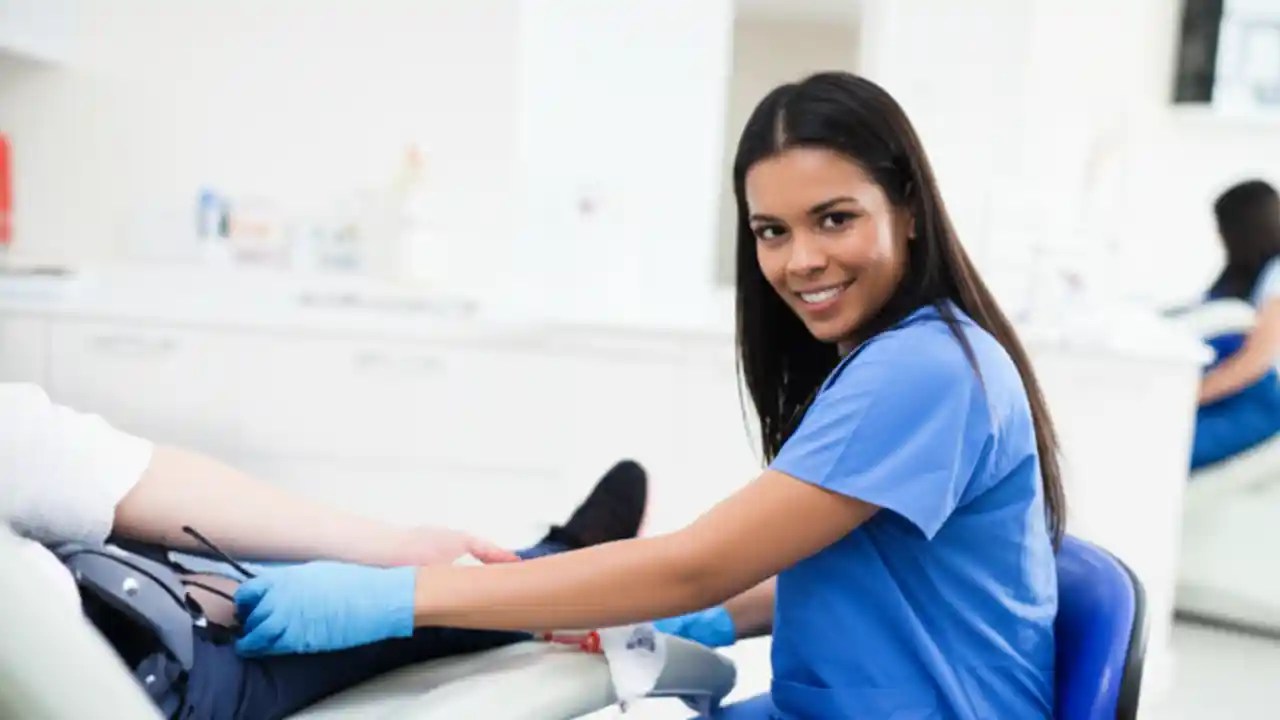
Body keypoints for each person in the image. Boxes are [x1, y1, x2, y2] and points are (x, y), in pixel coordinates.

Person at [230, 72, 1067, 719]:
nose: (801, 259)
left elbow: (694, 564)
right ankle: (561, 557)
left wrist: (394, 601)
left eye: (834, 218)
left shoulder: (924, 370)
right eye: (772, 232)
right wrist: (702, 623)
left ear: (910, 209)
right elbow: (856, 570)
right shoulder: (907, 356)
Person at [0, 381, 648, 720]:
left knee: (267, 584)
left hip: (112, 610)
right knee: (399, 618)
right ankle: (560, 565)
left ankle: (558, 566)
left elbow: (106, 477)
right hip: (149, 671)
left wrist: (388, 548)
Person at [1192, 179, 1280, 469]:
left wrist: (1191, 394)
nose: (1218, 237)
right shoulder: (1241, 275)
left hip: (1256, 399)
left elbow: (1256, 360)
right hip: (1232, 389)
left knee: (1172, 443)